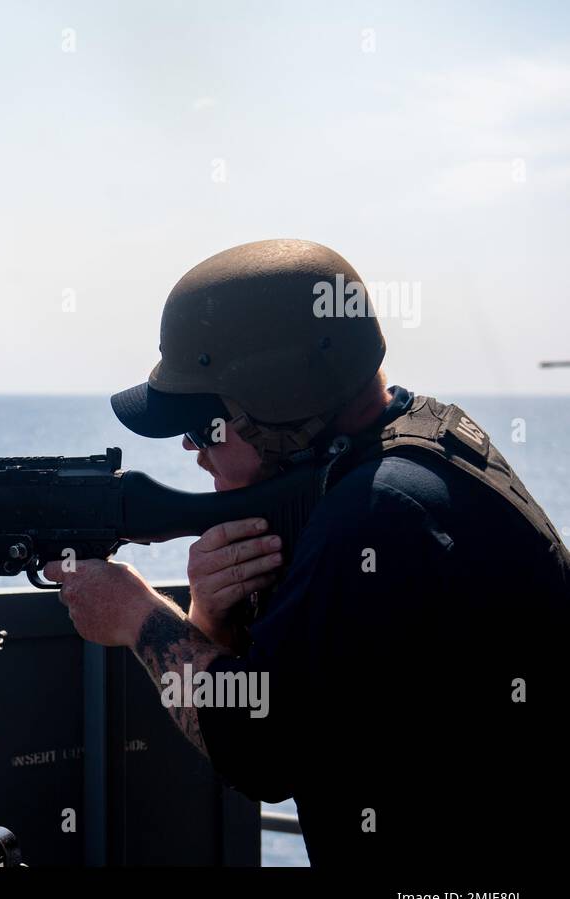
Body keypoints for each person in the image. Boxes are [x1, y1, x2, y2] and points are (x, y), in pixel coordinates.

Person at [44, 239, 567, 866]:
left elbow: (260, 751)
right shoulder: (426, 442)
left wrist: (138, 617)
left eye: (201, 424)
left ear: (278, 410)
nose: (191, 449)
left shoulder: (371, 520)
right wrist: (212, 619)